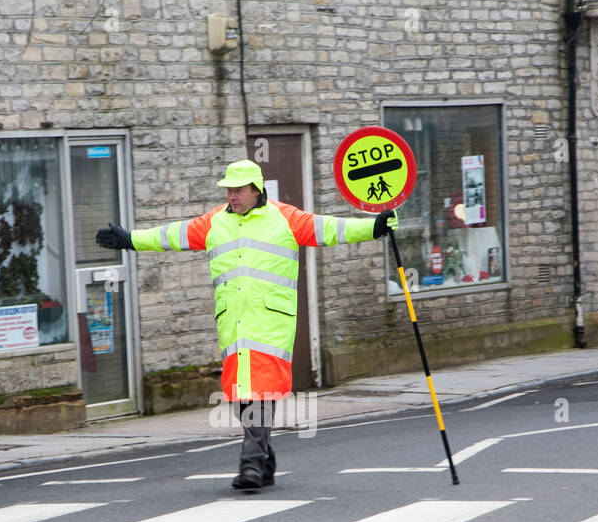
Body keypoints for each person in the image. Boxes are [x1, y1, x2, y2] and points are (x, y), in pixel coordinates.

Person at [96, 160, 396, 490]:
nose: (232, 196)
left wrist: (374, 227)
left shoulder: (286, 218)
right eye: (228, 190)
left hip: (271, 325)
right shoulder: (214, 222)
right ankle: (265, 458)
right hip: (233, 326)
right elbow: (171, 235)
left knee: (260, 393)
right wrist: (130, 239)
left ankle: (251, 465)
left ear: (256, 189)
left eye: (238, 190)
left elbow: (331, 229)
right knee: (241, 398)